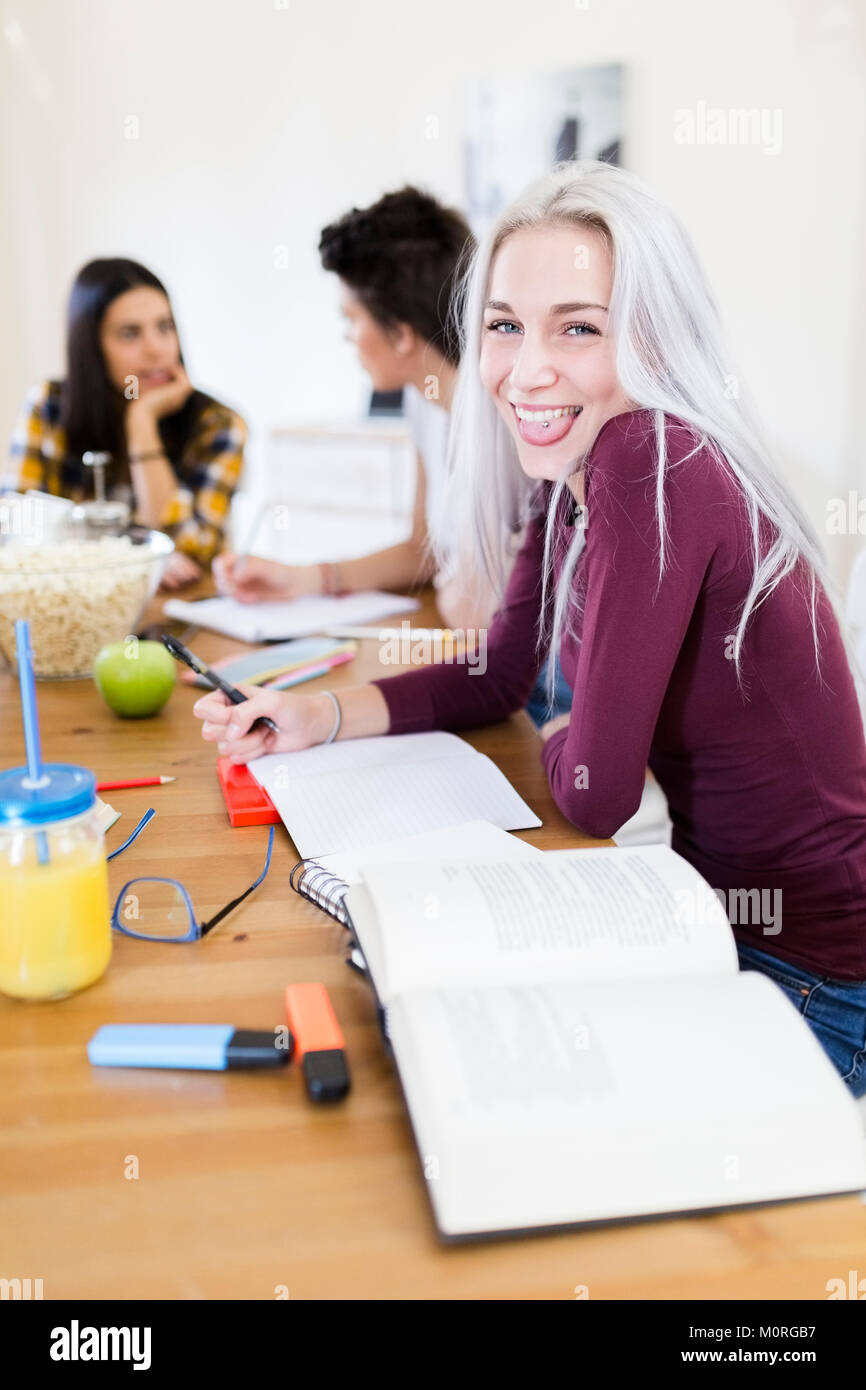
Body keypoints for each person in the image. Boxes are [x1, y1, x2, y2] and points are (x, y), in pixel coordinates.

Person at [191, 160, 866, 1096]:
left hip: (816, 982)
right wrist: (318, 716)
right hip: (715, 927)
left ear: (655, 342)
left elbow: (593, 794)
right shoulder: (582, 465)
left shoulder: (649, 458)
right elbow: (498, 676)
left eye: (578, 328)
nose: (527, 370)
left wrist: (561, 734)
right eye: (505, 326)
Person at [213, 187, 499, 629]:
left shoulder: (503, 422)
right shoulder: (423, 400)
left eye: (350, 317)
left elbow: (485, 608)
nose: (346, 336)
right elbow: (420, 551)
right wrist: (301, 579)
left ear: (402, 334)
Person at [7, 258, 245, 590]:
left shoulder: (219, 424)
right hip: (73, 606)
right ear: (91, 348)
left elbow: (196, 553)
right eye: (130, 333)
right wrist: (130, 555)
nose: (156, 349)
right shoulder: (49, 406)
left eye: (165, 327)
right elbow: (18, 531)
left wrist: (142, 423)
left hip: (177, 617)